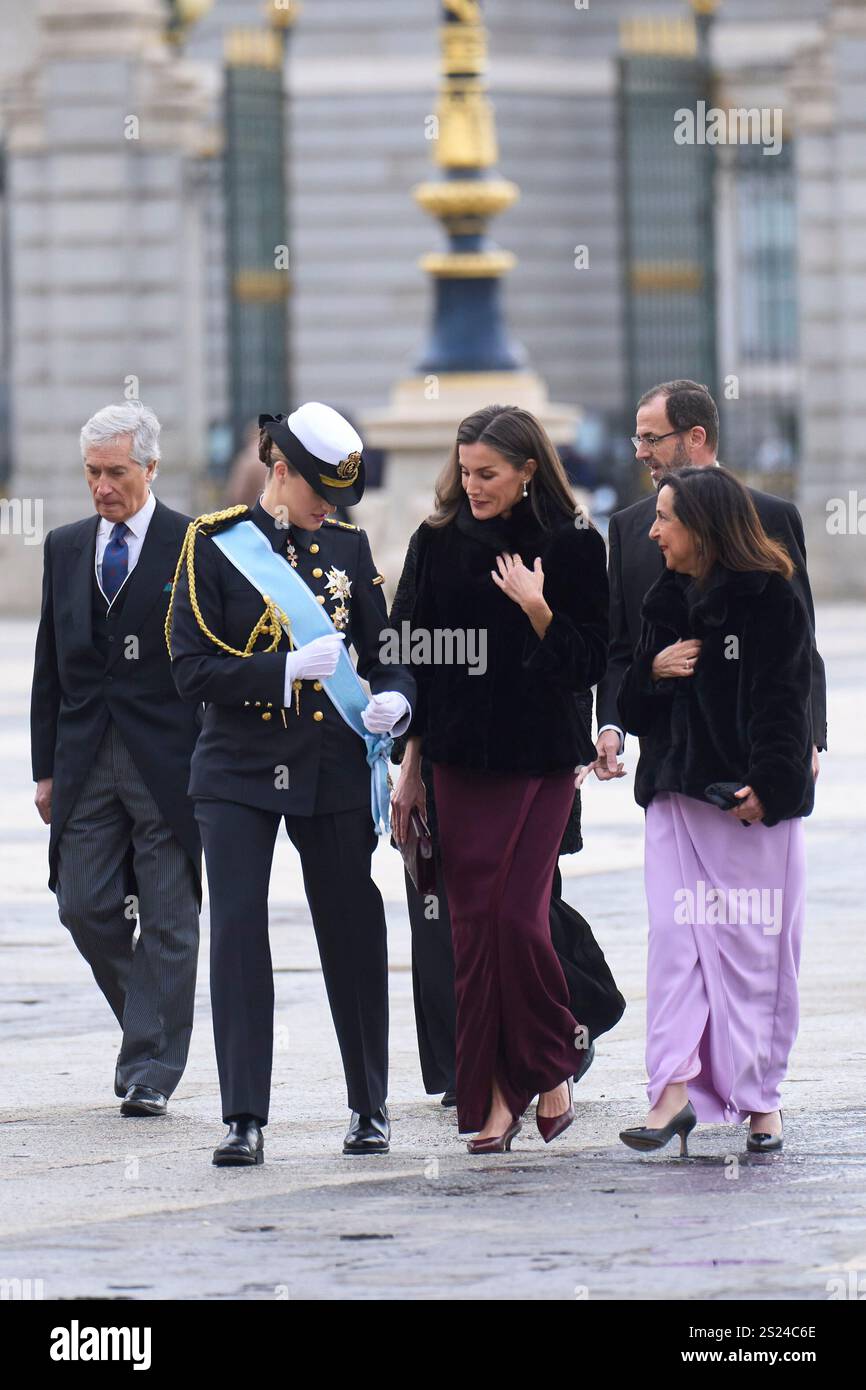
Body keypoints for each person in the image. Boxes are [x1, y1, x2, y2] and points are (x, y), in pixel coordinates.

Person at [167, 403, 415, 1166]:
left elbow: (389, 650)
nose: (327, 508)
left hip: (330, 763)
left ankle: (368, 1106)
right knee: (239, 932)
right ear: (280, 470)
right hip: (238, 767)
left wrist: (399, 700)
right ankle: (243, 1115)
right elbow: (188, 667)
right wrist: (276, 671)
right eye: (317, 490)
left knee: (351, 927)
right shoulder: (212, 544)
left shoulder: (348, 546)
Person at [393, 404, 609, 1152]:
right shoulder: (435, 542)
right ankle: (492, 1098)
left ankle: (552, 1061)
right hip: (456, 762)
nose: (472, 484)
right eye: (464, 471)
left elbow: (588, 662)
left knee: (517, 920)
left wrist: (538, 607)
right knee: (471, 931)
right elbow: (410, 657)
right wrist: (410, 771)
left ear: (527, 470)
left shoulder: (576, 544)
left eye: (488, 473)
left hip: (542, 762)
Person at [617, 466, 814, 1157]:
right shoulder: (663, 600)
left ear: (702, 526)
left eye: (666, 518)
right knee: (675, 941)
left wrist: (771, 785)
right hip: (675, 799)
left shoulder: (770, 601)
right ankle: (670, 1093)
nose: (653, 530)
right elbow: (631, 709)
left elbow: (785, 705)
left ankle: (762, 1101)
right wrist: (652, 671)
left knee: (754, 954)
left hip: (746, 810)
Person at [30, 401, 202, 1118]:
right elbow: (49, 663)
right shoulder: (66, 546)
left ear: (150, 468)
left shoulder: (193, 542)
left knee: (167, 914)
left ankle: (150, 1069)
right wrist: (44, 768)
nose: (102, 487)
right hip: (83, 758)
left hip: (168, 760)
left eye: (116, 473)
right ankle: (149, 1016)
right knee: (84, 905)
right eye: (93, 473)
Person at [593, 380, 826, 785]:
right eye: (638, 438)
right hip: (664, 772)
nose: (639, 452)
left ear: (696, 437)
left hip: (750, 765)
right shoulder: (629, 527)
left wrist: (804, 738)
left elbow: (801, 641)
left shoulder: (771, 516)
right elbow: (621, 647)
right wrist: (611, 727)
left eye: (651, 438)